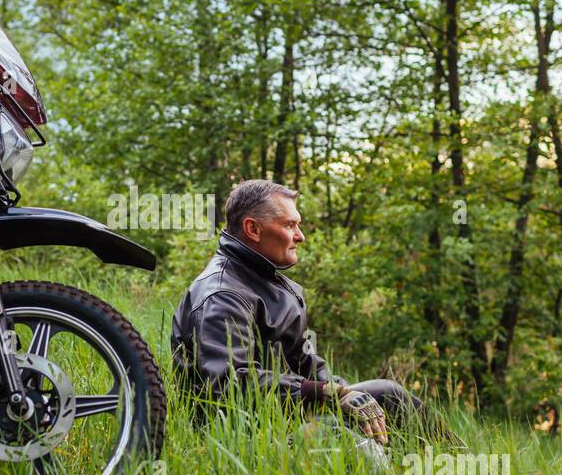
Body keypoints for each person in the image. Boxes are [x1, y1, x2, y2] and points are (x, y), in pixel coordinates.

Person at [171, 179, 424, 460]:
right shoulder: (223, 295)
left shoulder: (269, 283)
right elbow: (232, 384)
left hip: (285, 415)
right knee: (341, 438)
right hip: (243, 439)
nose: (300, 236)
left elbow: (306, 363)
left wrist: (343, 392)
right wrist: (329, 393)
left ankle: (450, 463)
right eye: (290, 225)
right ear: (253, 229)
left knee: (387, 393)